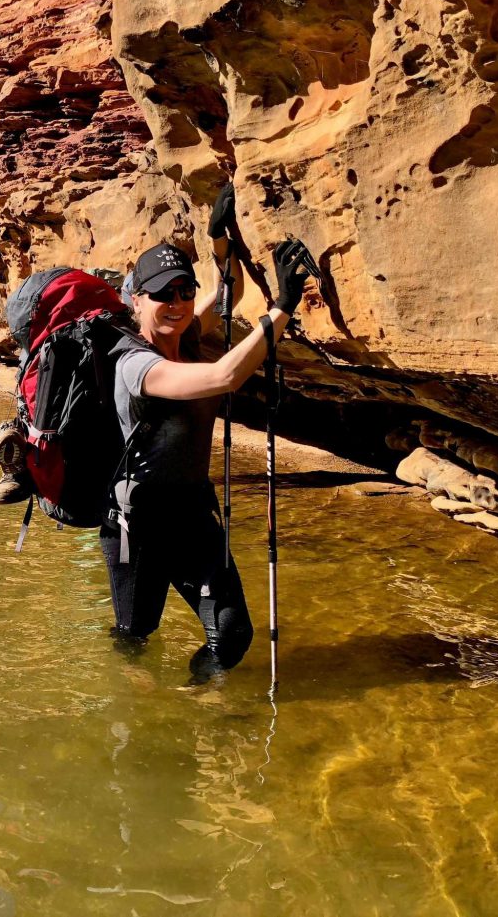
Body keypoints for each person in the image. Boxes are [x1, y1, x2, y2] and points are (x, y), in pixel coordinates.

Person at [100, 190, 311, 681]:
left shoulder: (187, 335)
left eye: (183, 291)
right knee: (135, 635)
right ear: (137, 300)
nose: (176, 303)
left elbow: (229, 289)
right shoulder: (135, 366)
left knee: (233, 634)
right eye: (161, 294)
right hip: (138, 523)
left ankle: (199, 702)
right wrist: (281, 307)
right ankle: (137, 715)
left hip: (192, 511)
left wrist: (219, 239)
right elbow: (223, 378)